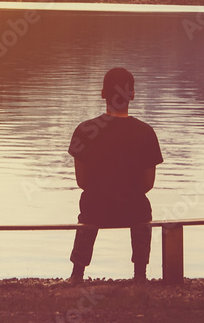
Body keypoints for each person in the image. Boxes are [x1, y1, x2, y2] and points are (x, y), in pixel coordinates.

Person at [68, 67, 163, 284]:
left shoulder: (84, 130)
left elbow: (82, 182)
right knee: (142, 207)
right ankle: (140, 274)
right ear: (132, 95)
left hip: (95, 210)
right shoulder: (146, 133)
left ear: (103, 94)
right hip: (133, 210)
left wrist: (104, 190)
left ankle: (77, 274)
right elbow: (148, 183)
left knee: (88, 202)